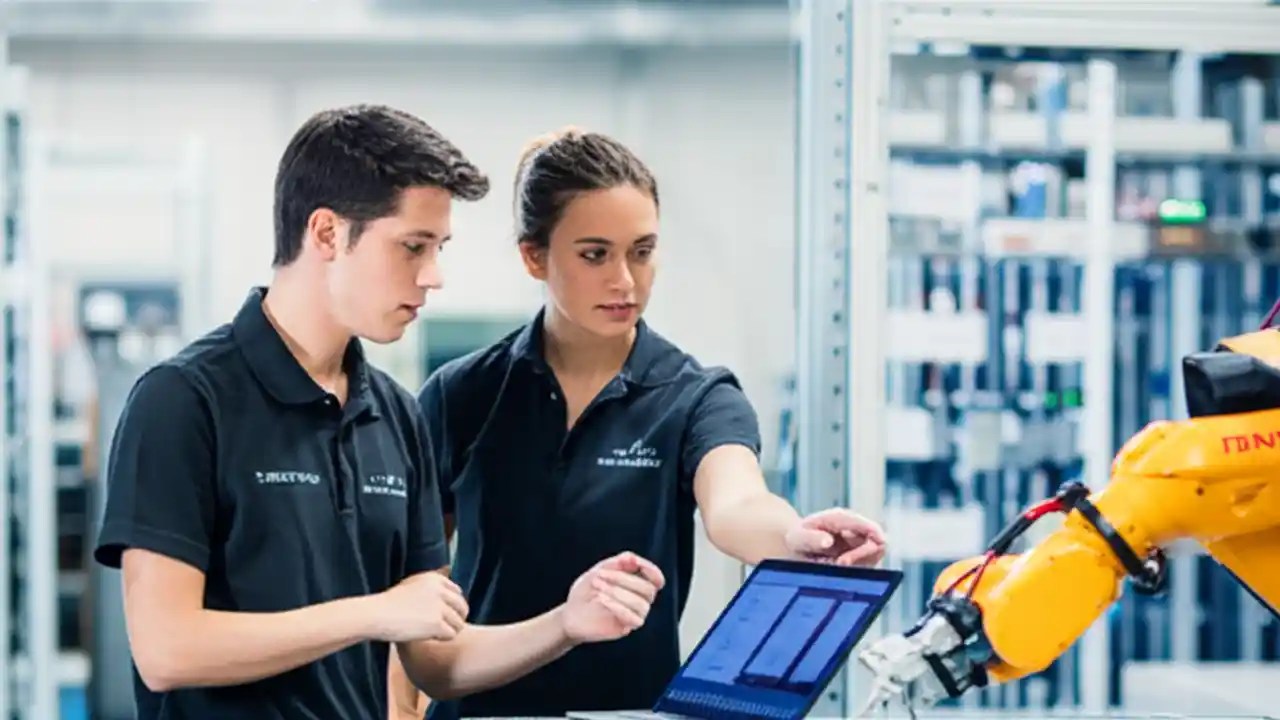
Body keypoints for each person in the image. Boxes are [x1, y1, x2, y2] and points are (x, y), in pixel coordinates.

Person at [91, 106, 666, 720]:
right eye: (412, 247)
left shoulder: (395, 416)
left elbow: (436, 662)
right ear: (327, 234)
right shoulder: (182, 401)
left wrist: (566, 624)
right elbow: (167, 648)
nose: (434, 276)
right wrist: (372, 613)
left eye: (438, 248)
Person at [399, 127, 889, 720]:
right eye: (595, 255)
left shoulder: (697, 396)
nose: (625, 281)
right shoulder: (461, 395)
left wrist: (794, 540)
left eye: (642, 251)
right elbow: (414, 599)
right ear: (534, 256)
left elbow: (737, 503)